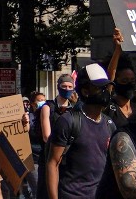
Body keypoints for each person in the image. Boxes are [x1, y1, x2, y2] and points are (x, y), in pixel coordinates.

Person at [44, 67, 115, 199]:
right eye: (100, 88)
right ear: (85, 91)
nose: (106, 93)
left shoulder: (109, 124)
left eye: (106, 87)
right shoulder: (68, 121)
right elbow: (53, 163)